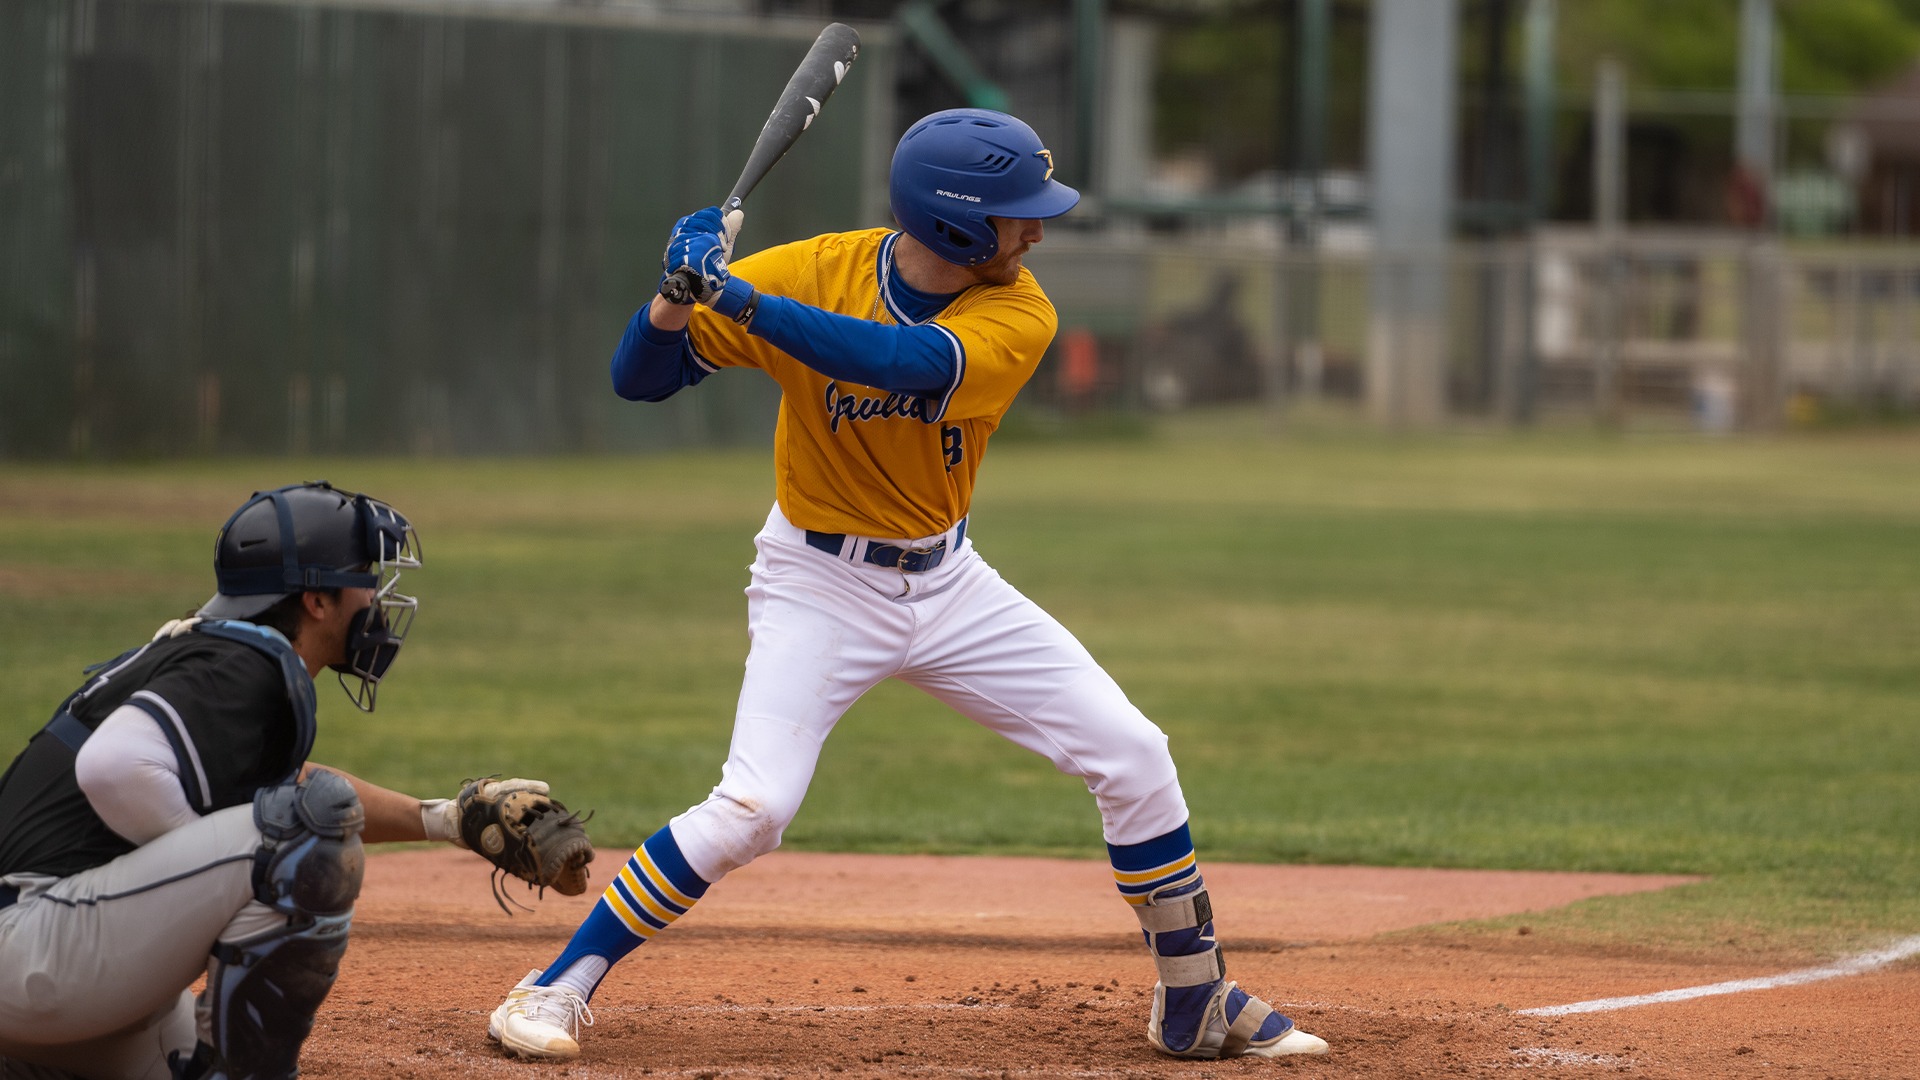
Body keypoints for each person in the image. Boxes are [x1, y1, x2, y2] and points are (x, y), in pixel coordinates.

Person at [486, 108, 1329, 1063]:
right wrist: (675, 296)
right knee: (755, 809)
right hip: (817, 581)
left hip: (950, 583)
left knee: (1134, 753)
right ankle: (554, 986)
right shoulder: (813, 272)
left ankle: (1195, 1000)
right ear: (957, 224)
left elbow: (902, 363)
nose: (1036, 231)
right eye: (1018, 214)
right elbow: (639, 378)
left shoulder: (1020, 311)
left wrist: (739, 297)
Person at [0, 481, 556, 1080]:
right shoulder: (248, 664)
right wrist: (212, 875)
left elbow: (290, 786)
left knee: (291, 827)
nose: (375, 595)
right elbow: (110, 767)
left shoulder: (218, 655)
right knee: (300, 837)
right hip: (39, 955)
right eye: (363, 577)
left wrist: (447, 820)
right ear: (315, 600)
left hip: (49, 965)